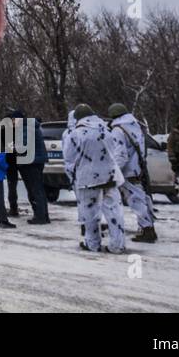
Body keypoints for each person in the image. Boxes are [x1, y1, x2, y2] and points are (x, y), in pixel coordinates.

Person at [63, 104, 126, 254]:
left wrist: (73, 175)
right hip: (110, 175)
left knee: (90, 214)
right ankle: (118, 244)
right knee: (114, 211)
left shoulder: (75, 134)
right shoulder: (107, 129)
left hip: (87, 178)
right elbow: (115, 150)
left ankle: (93, 244)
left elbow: (69, 158)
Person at [107, 103, 157, 243]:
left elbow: (121, 155)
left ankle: (147, 230)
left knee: (136, 201)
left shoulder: (118, 130)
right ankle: (149, 228)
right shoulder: (135, 126)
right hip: (138, 168)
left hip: (128, 171)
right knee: (143, 198)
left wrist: (113, 172)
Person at [12, 108, 51, 224]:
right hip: (36, 161)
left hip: (31, 163)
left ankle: (40, 216)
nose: (12, 123)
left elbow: (22, 146)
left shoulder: (25, 128)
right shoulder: (30, 126)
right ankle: (44, 215)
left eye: (13, 120)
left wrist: (11, 147)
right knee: (38, 189)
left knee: (34, 190)